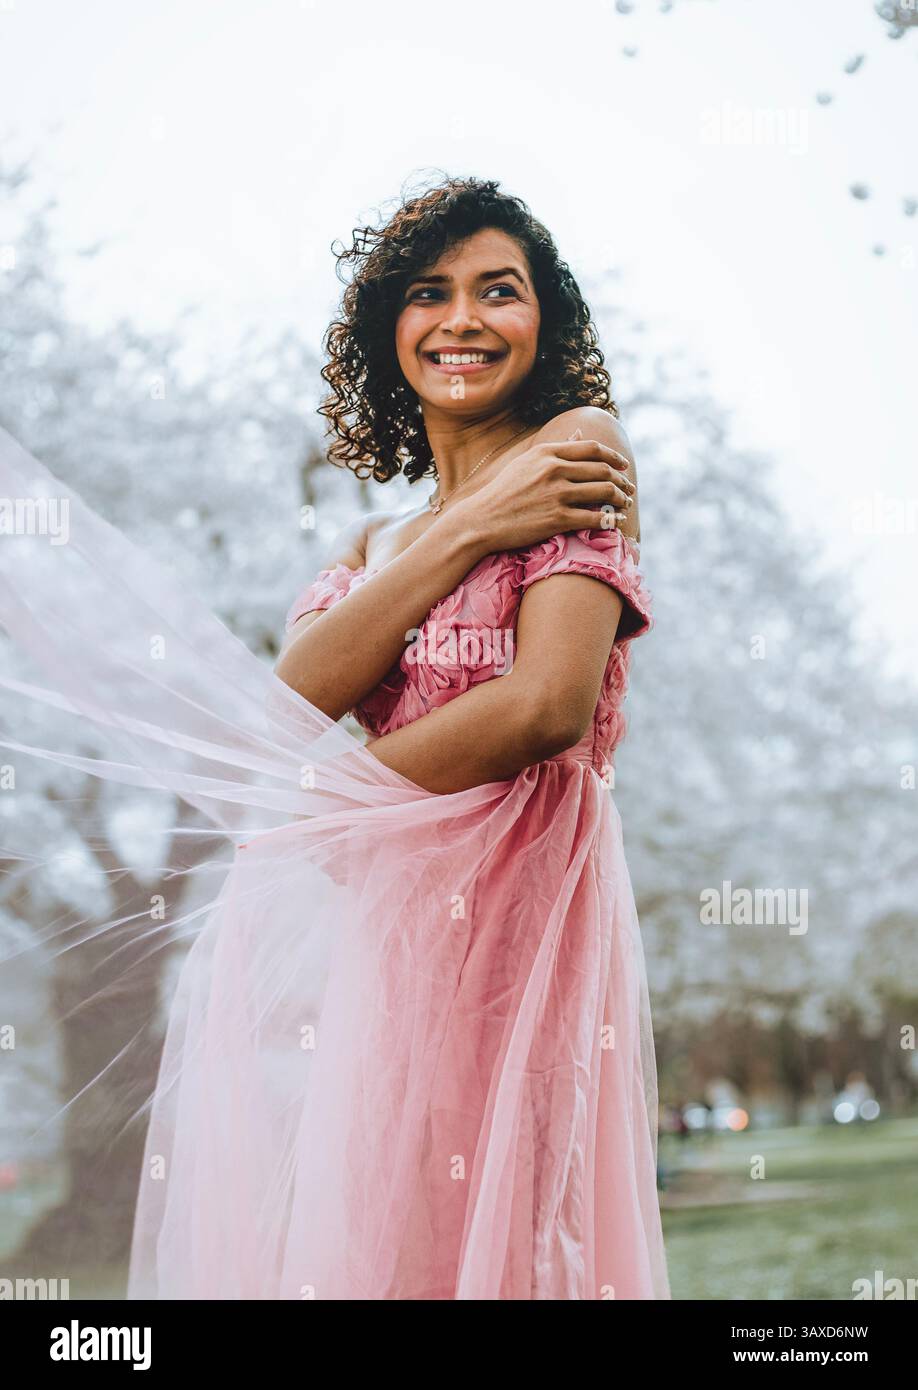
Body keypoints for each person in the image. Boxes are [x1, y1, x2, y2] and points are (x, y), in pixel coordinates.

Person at [0, 174, 669, 1299]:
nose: (462, 318)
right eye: (427, 293)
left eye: (497, 291)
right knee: (385, 1223)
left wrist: (326, 802)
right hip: (391, 949)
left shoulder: (575, 447)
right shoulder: (377, 537)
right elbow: (292, 698)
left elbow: (545, 705)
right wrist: (470, 528)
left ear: (544, 320)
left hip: (527, 924)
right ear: (387, 333)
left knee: (513, 1230)